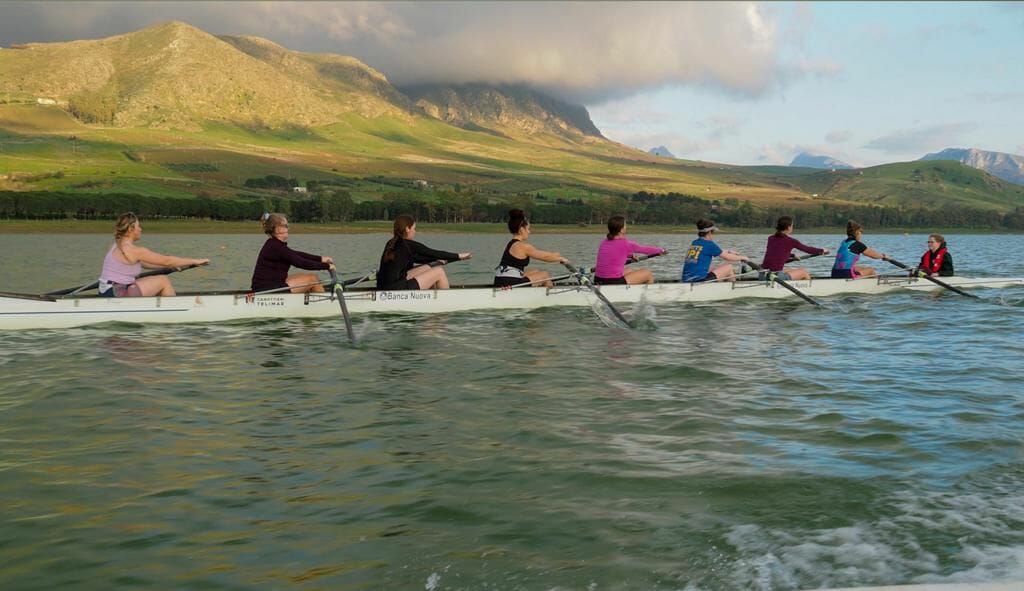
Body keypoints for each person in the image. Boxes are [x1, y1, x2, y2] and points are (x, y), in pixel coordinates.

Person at [98, 212, 209, 297]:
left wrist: (171, 266)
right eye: (138, 226)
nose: (141, 229)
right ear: (131, 229)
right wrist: (194, 261)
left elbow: (145, 263)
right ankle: (173, 312)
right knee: (162, 281)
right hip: (117, 293)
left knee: (156, 280)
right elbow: (167, 260)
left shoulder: (116, 245)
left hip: (107, 290)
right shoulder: (134, 250)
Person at [378, 214, 471, 290]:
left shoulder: (391, 243)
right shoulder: (409, 245)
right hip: (395, 289)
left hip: (386, 286)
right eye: (414, 229)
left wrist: (440, 260)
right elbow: (433, 253)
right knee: (439, 272)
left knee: (429, 267)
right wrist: (459, 256)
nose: (415, 232)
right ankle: (445, 303)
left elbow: (420, 259)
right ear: (407, 229)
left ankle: (430, 299)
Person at [251, 213, 335, 293]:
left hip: (269, 286)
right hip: (266, 290)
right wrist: (327, 266)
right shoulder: (276, 247)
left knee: (308, 277)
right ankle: (326, 304)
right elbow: (301, 263)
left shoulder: (274, 244)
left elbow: (297, 254)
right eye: (286, 226)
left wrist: (321, 259)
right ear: (277, 229)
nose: (288, 229)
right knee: (312, 279)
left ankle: (316, 302)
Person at [493, 209, 568, 288]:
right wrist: (562, 259)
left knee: (534, 271)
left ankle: (539, 291)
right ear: (522, 230)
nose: (529, 232)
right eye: (528, 229)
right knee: (545, 275)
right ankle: (551, 295)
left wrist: (556, 255)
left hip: (499, 280)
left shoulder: (511, 243)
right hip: (508, 283)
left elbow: (545, 254)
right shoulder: (523, 246)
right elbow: (545, 257)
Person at [593, 215, 667, 285]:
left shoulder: (604, 242)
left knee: (629, 270)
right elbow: (645, 249)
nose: (626, 227)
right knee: (647, 273)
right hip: (613, 281)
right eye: (625, 225)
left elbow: (616, 252)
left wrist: (631, 256)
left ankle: (630, 293)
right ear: (621, 230)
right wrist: (661, 250)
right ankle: (647, 296)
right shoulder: (626, 243)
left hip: (597, 280)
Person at [760, 216, 830, 281]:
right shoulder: (791, 241)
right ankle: (810, 289)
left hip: (762, 275)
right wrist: (822, 250)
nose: (792, 227)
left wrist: (792, 256)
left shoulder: (771, 238)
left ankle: (797, 285)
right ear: (788, 227)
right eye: (792, 225)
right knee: (803, 272)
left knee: (788, 270)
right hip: (774, 278)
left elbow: (776, 252)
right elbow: (808, 249)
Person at [681, 218, 750, 283]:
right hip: (699, 281)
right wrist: (743, 257)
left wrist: (729, 251)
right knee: (729, 267)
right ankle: (733, 290)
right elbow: (728, 257)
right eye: (713, 232)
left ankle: (726, 286)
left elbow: (716, 251)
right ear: (710, 232)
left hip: (686, 280)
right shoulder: (709, 244)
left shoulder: (695, 243)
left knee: (720, 266)